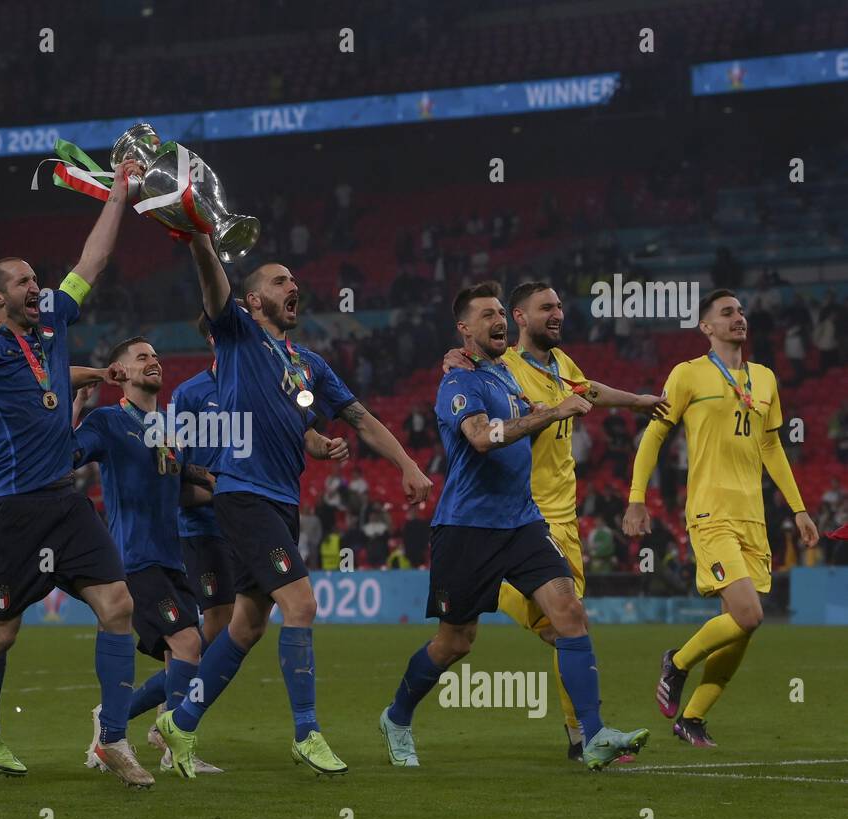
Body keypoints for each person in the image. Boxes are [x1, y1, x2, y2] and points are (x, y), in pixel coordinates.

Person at [0, 160, 158, 789]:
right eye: (22, 281)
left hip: (64, 500)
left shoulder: (53, 323)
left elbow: (94, 259)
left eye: (35, 278)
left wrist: (120, 194)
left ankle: (112, 739)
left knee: (118, 604)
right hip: (10, 510)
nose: (35, 285)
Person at [153, 232, 432, 778]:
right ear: (253, 300)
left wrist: (405, 463)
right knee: (301, 604)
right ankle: (307, 733)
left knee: (247, 625)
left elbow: (357, 417)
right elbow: (215, 288)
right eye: (280, 280)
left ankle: (181, 721)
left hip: (282, 500)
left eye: (294, 280)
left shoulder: (308, 363)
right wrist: (201, 241)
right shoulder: (235, 333)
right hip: (243, 494)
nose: (293, 286)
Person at [381, 281, 648, 771]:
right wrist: (549, 414)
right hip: (467, 529)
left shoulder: (507, 374)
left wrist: (586, 405)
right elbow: (482, 439)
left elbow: (571, 391)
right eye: (486, 315)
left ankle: (592, 737)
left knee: (569, 612)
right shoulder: (458, 383)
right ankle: (397, 717)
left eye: (502, 312)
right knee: (455, 642)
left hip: (523, 521)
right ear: (464, 329)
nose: (499, 320)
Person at [624, 289, 818, 746]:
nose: (739, 318)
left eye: (742, 311)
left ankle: (690, 718)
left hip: (753, 517)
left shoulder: (765, 379)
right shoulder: (688, 374)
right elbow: (654, 436)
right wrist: (637, 498)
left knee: (741, 628)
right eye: (727, 313)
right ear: (706, 327)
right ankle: (677, 662)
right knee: (749, 615)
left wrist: (799, 509)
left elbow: (772, 447)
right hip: (711, 512)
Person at [74, 337, 225, 775]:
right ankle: (177, 747)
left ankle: (117, 723)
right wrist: (78, 407)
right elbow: (63, 454)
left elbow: (178, 490)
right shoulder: (107, 421)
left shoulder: (170, 431)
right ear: (120, 371)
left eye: (156, 355)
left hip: (172, 558)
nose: (154, 360)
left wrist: (225, 492)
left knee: (181, 657)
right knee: (190, 644)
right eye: (142, 357)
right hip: (135, 558)